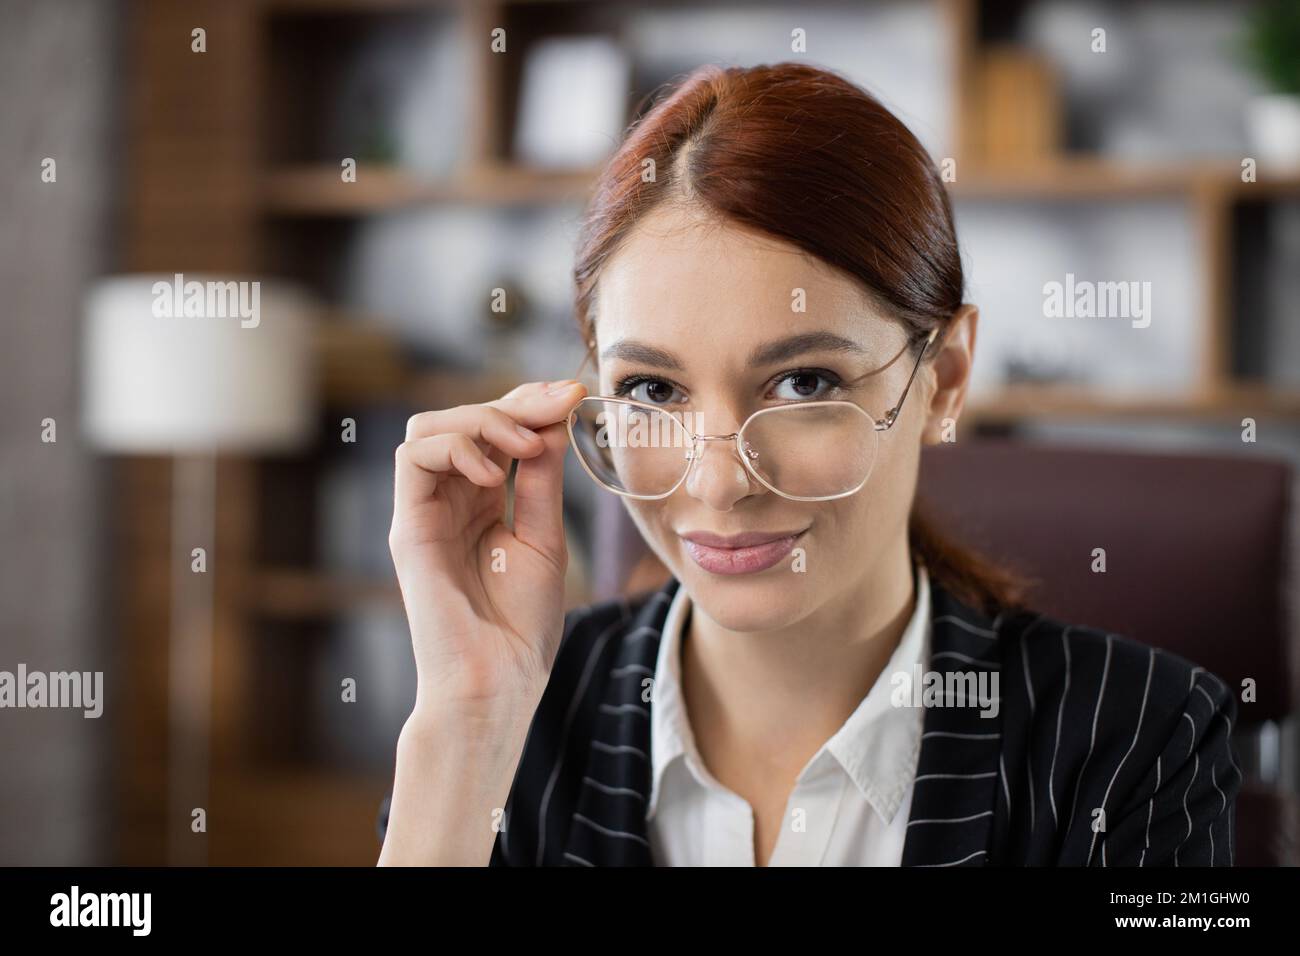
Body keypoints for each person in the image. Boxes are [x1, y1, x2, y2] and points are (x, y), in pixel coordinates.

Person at [376, 62, 1240, 867]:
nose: (718, 483)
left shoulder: (1137, 742)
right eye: (652, 389)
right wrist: (466, 725)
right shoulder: (505, 729)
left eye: (803, 381)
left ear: (943, 379)